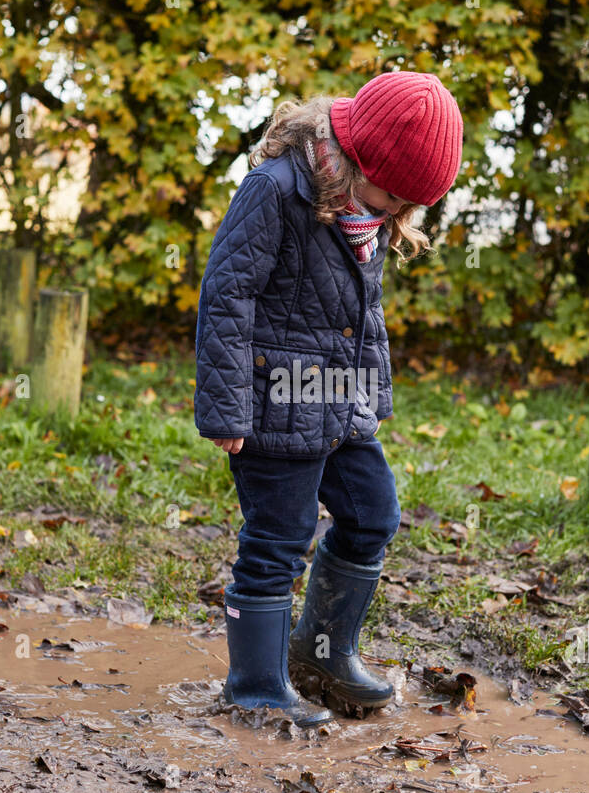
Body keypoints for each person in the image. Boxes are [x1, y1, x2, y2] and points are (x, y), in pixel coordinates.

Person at [194, 71, 464, 727]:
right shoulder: (276, 190)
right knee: (276, 541)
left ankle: (320, 657)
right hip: (273, 405)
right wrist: (227, 409)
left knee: (375, 513)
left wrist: (374, 393)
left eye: (411, 202)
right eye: (395, 193)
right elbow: (226, 299)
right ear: (355, 155)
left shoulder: (364, 209)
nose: (399, 209)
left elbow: (360, 316)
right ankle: (257, 688)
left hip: (341, 402)